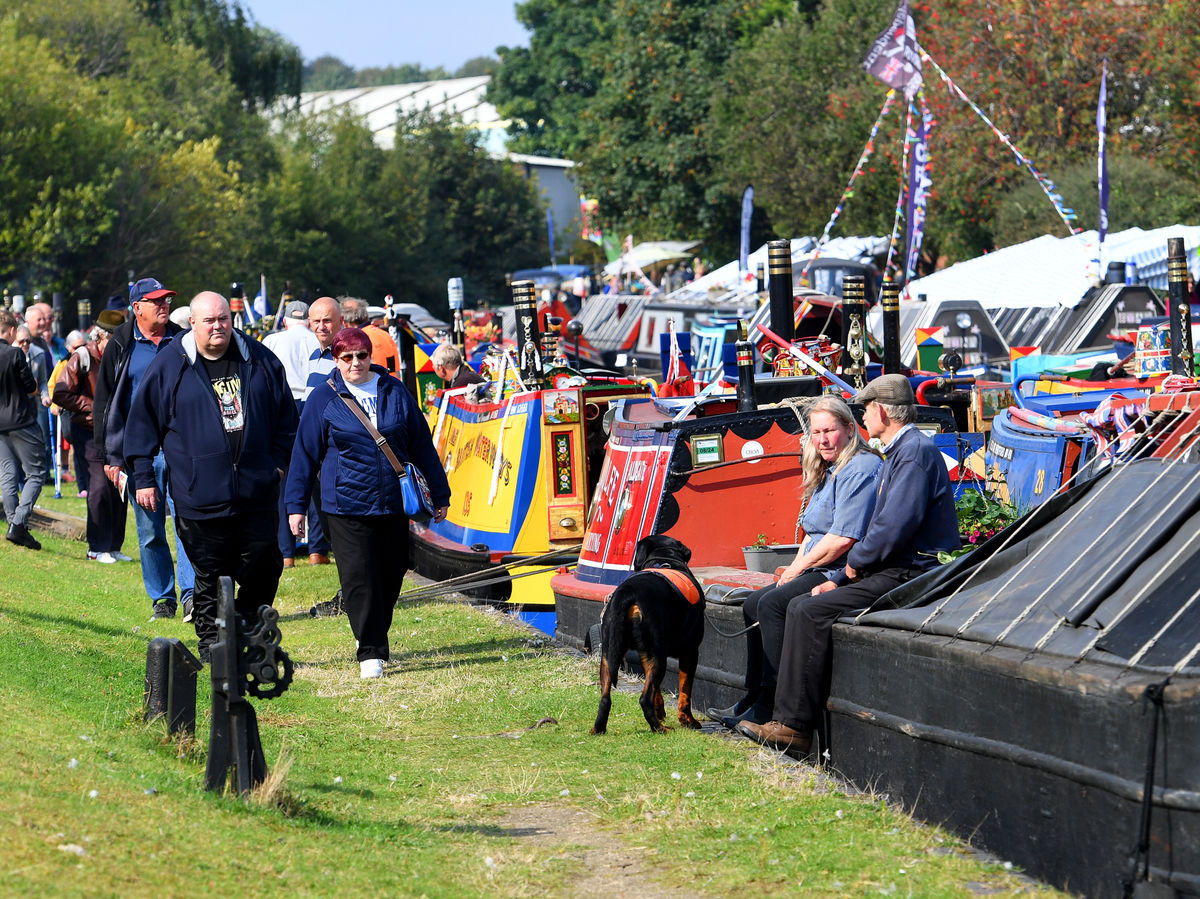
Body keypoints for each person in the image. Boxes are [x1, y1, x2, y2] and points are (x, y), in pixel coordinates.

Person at [738, 375, 960, 757]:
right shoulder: (902, 450)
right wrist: (840, 577)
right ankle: (782, 717)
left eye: (866, 408)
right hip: (894, 566)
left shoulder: (913, 452)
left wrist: (849, 571)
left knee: (807, 610)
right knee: (801, 604)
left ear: (882, 411)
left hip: (913, 571)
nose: (863, 415)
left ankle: (793, 726)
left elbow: (892, 528)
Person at [126, 292, 298, 663]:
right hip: (198, 494)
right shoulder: (171, 365)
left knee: (265, 565)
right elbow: (141, 426)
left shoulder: (259, 359)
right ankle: (210, 644)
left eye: (223, 319)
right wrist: (142, 477)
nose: (218, 326)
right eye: (209, 321)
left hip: (256, 491)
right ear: (193, 323)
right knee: (209, 573)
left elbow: (287, 421)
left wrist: (279, 464)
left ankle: (249, 632)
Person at [286, 327, 450, 678]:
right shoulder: (323, 399)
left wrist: (441, 492)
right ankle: (370, 650)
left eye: (361, 355)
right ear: (336, 360)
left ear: (369, 356)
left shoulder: (395, 392)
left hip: (393, 501)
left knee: (391, 573)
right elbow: (304, 454)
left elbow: (421, 445)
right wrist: (295, 506)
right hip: (345, 504)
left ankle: (377, 634)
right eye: (347, 357)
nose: (356, 363)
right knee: (359, 578)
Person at [709, 396, 881, 729]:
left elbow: (841, 540)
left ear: (849, 429)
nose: (823, 440)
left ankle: (773, 704)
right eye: (816, 433)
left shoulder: (861, 467)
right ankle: (755, 695)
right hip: (818, 563)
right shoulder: (828, 469)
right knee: (753, 603)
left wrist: (796, 571)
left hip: (841, 571)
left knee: (773, 605)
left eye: (830, 431)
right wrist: (792, 569)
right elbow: (812, 535)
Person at [94, 277, 195, 620]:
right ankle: (162, 599)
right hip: (139, 454)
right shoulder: (120, 344)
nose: (163, 305)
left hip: (181, 448)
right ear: (137, 308)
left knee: (188, 523)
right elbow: (105, 403)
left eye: (166, 300)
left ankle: (193, 595)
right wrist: (110, 456)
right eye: (156, 301)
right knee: (150, 529)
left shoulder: (183, 340)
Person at [53, 313, 129, 562]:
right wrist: (95, 407)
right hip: (87, 432)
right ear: (102, 336)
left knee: (119, 487)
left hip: (115, 431)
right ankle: (96, 548)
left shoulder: (119, 355)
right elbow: (61, 394)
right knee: (98, 488)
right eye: (116, 339)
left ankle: (114, 545)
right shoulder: (82, 356)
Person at [261, 299, 327, 569]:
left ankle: (286, 552)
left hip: (282, 408)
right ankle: (317, 549)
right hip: (311, 404)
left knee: (285, 480)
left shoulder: (273, 341)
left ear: (286, 321)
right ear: (308, 321)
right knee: (315, 479)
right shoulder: (317, 340)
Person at [0, 309, 46, 549]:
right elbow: (31, 388)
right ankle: (18, 525)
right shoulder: (15, 353)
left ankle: (12, 522)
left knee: (7, 475)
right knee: (36, 474)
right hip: (20, 421)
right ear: (11, 331)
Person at [14, 324, 53, 480]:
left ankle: (41, 474)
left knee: (41, 438)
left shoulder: (39, 354)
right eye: (21, 341)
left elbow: (43, 380)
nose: (25, 345)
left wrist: (45, 395)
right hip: (15, 405)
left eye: (28, 341)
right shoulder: (9, 355)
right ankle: (18, 478)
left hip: (34, 404)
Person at [341, 296, 400, 375]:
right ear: (366, 316)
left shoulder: (358, 340)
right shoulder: (384, 334)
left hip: (376, 384)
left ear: (345, 324)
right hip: (393, 383)